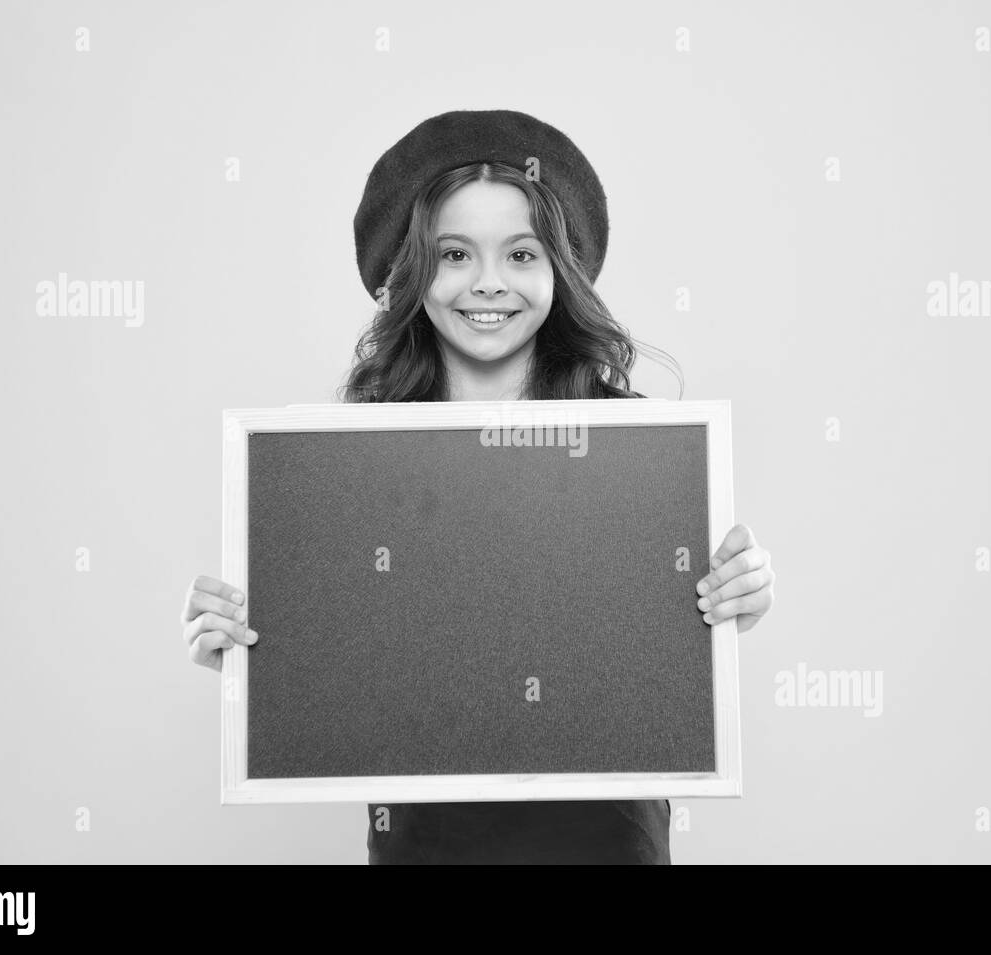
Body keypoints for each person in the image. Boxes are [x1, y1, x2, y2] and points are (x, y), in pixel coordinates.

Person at [180, 109, 775, 864]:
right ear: (411, 273)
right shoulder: (346, 465)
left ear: (561, 270)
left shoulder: (639, 448)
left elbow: (676, 620)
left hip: (606, 846)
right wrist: (246, 653)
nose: (488, 283)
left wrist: (738, 590)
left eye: (521, 253)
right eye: (454, 253)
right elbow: (331, 655)